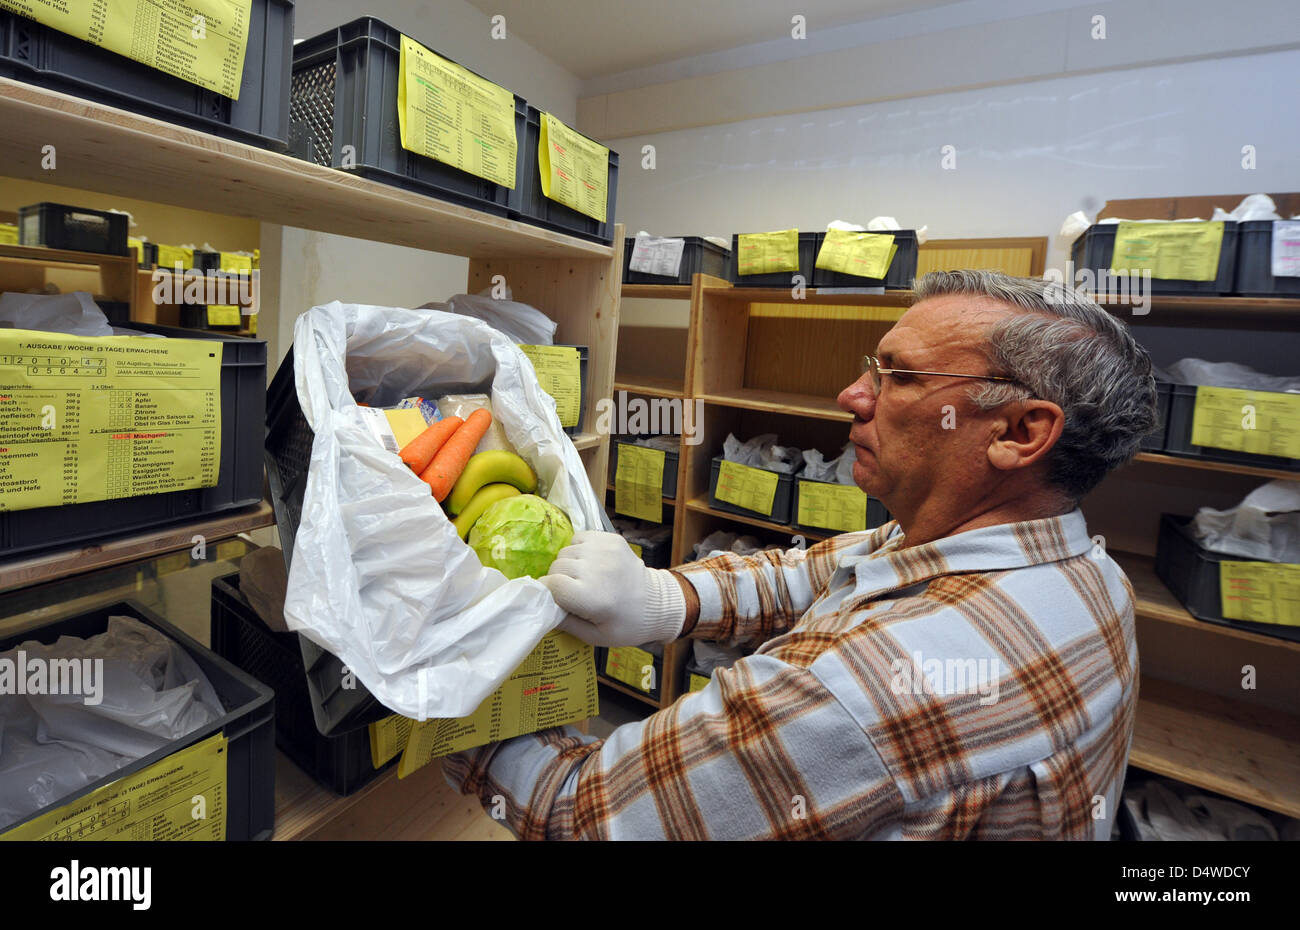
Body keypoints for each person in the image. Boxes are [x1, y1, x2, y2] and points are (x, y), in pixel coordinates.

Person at [443, 269, 1157, 840]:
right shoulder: (1084, 569)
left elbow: (582, 814)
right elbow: (810, 571)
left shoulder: (875, 687)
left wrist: (441, 685)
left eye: (899, 377)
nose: (852, 395)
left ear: (1021, 431)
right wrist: (662, 601)